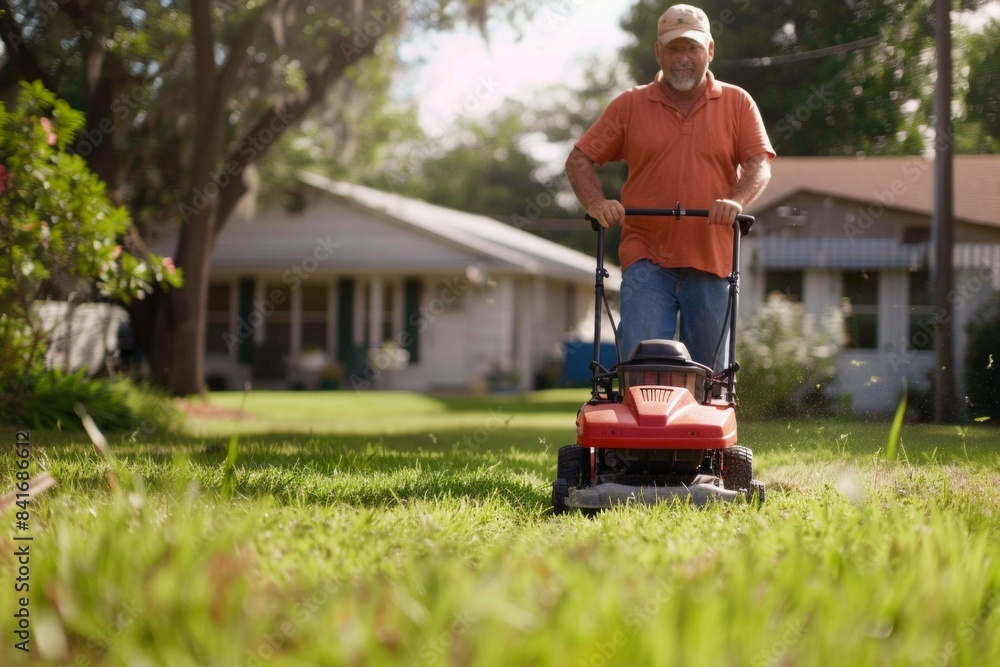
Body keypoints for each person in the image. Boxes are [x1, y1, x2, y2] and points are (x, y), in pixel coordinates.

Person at [566, 3, 775, 371]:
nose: (683, 58)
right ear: (657, 52)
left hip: (712, 258)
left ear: (709, 50)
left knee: (712, 377)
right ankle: (643, 429)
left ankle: (705, 428)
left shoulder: (737, 102)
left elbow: (759, 163)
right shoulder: (630, 105)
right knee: (642, 368)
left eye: (691, 47)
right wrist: (597, 202)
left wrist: (736, 200)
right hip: (647, 261)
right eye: (673, 48)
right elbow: (579, 159)